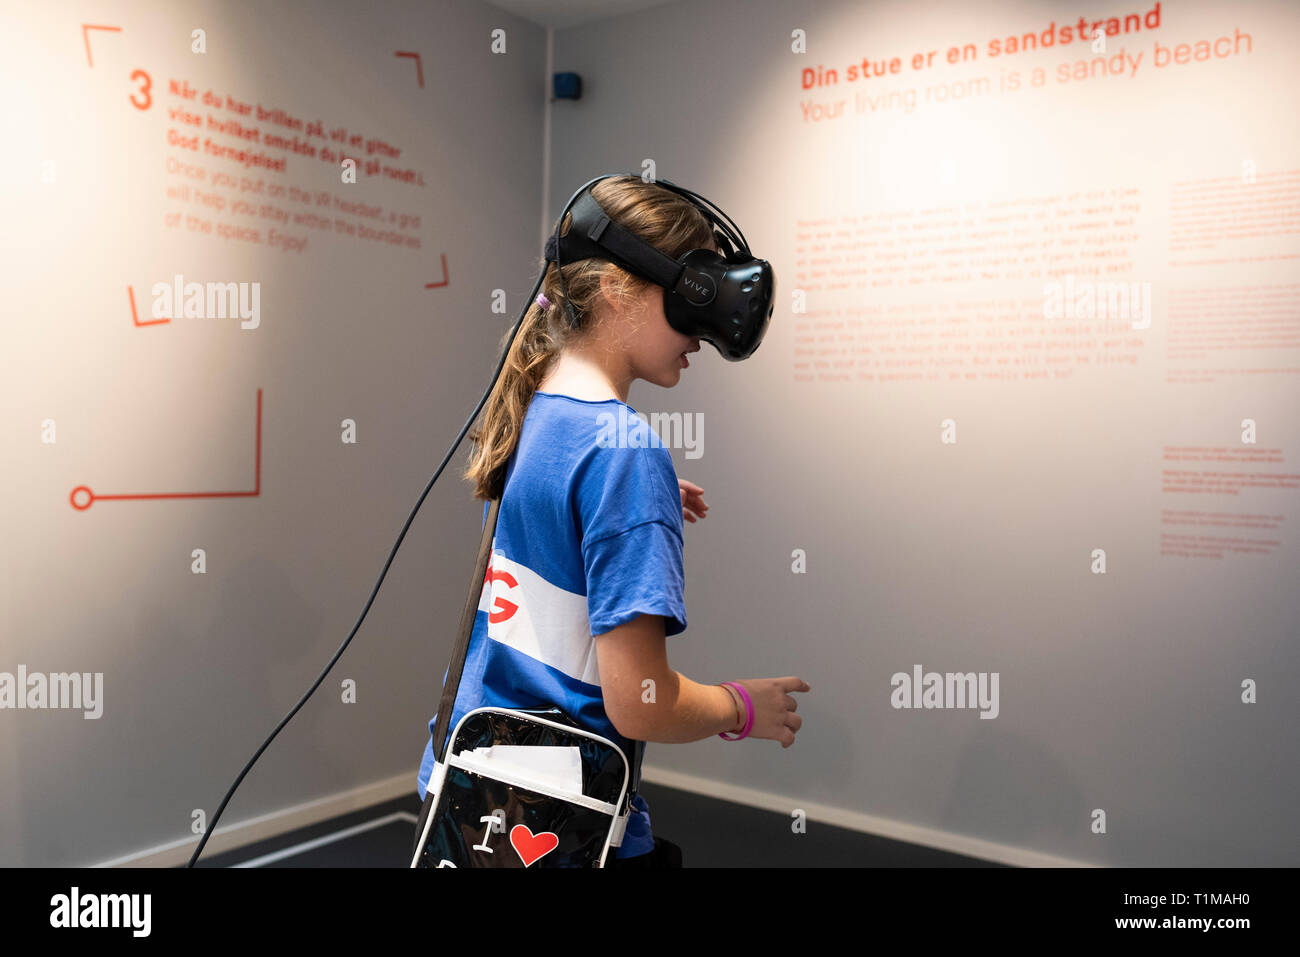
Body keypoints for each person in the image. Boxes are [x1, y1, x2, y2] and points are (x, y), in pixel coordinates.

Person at [413, 175, 810, 867]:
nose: (704, 335)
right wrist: (741, 706)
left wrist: (630, 503)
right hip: (561, 824)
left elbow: (549, 542)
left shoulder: (537, 413)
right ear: (618, 291)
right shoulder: (625, 457)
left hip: (466, 790)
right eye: (691, 298)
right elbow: (642, 701)